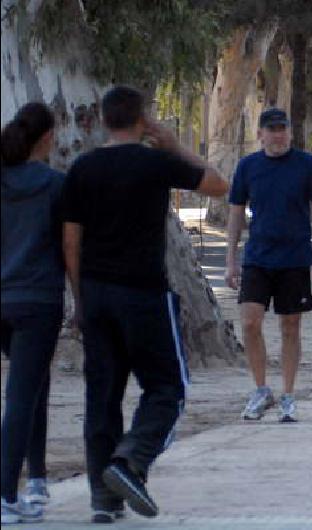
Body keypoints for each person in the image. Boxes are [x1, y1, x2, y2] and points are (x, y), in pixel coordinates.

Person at [62, 86, 228, 522]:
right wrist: (176, 146)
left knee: (102, 394)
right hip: (144, 293)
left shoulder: (83, 168)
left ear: (102, 120)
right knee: (168, 386)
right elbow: (218, 185)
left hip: (96, 294)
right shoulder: (156, 162)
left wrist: (79, 298)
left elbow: (71, 239)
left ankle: (103, 498)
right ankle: (131, 459)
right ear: (143, 120)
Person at [226, 108, 312, 423]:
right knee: (250, 322)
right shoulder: (248, 167)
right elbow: (235, 212)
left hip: (295, 259)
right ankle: (260, 390)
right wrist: (231, 260)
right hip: (258, 257)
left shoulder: (306, 164)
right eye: (271, 129)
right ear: (260, 134)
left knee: (290, 326)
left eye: (282, 129)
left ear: (289, 132)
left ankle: (288, 394)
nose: (278, 135)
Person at [1, 103, 63, 525]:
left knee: (35, 384)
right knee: (21, 396)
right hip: (38, 300)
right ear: (47, 138)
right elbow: (71, 246)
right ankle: (6, 494)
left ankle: (37, 478)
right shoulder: (56, 185)